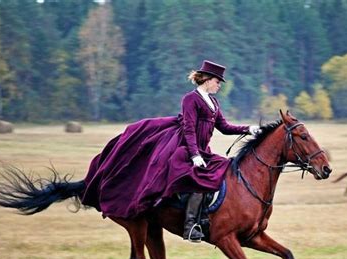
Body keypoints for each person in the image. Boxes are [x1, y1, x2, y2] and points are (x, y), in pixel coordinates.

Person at [80, 60, 261, 241]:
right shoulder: (191, 99)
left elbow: (224, 126)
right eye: (218, 81)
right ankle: (190, 226)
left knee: (222, 172)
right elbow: (189, 129)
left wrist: (247, 129)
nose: (219, 85)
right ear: (207, 79)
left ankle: (207, 217)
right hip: (184, 149)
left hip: (203, 150)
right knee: (200, 179)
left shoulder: (213, 101)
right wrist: (195, 155)